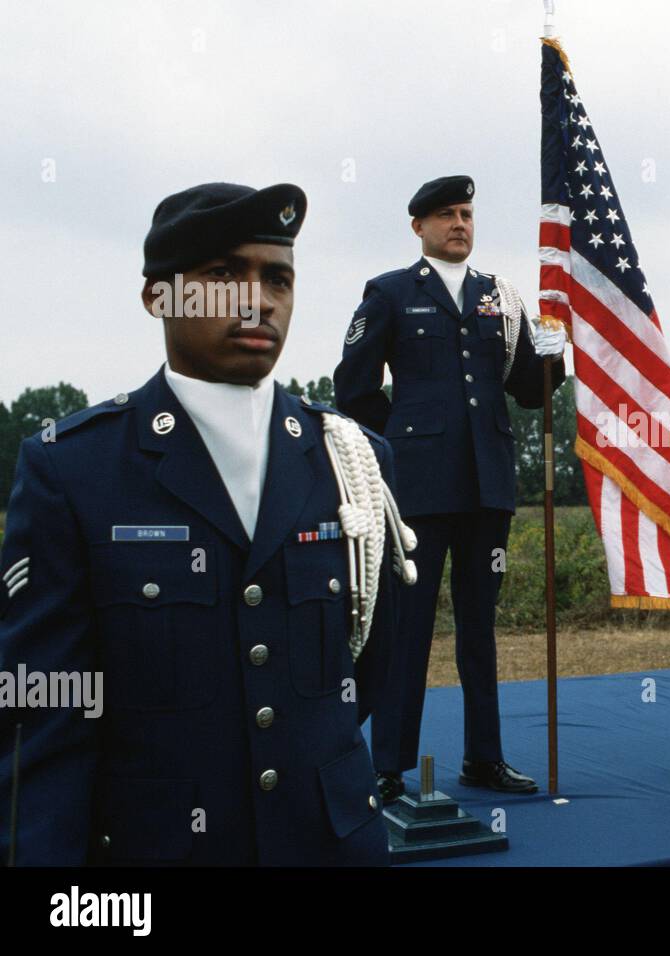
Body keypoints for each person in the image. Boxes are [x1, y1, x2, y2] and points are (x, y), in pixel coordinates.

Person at [0, 182, 412, 864]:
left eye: (277, 277)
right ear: (159, 297)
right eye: (224, 276)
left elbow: (367, 671)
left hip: (331, 846)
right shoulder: (74, 471)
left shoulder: (354, 461)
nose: (258, 299)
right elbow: (42, 724)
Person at [334, 175, 567, 799]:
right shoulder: (388, 293)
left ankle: (483, 758)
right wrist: (402, 445)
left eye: (466, 213)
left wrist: (553, 358)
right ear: (419, 227)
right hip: (417, 495)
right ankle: (388, 765)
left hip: (487, 488)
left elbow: (528, 393)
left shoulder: (503, 298)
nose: (459, 224)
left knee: (479, 629)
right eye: (445, 216)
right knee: (405, 628)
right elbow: (352, 388)